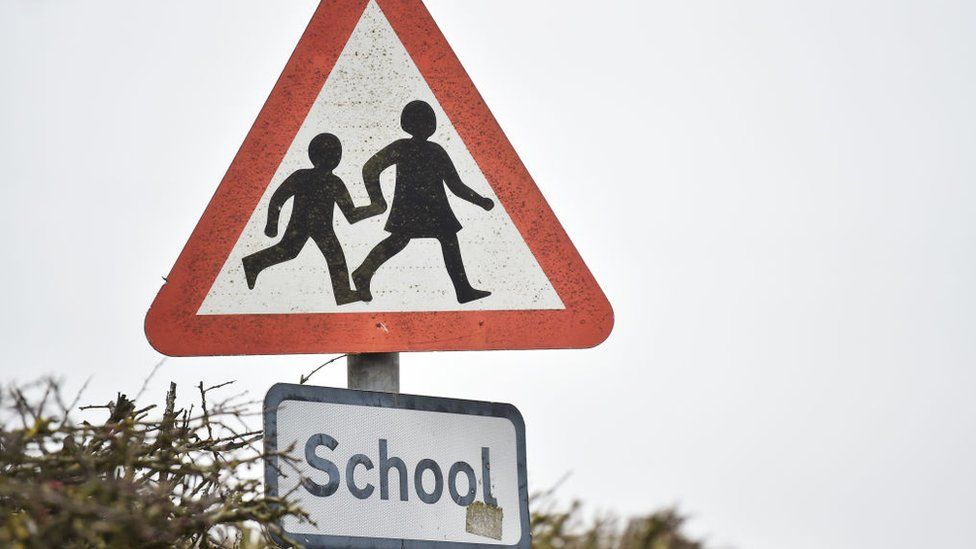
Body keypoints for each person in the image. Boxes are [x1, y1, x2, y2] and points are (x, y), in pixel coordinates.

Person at [352, 100, 495, 304]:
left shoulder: (435, 150)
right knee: (403, 240)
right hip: (414, 207)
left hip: (433, 208)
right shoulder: (403, 147)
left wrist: (480, 201)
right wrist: (377, 200)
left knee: (439, 239)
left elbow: (456, 185)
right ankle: (363, 273)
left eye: (429, 121)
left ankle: (463, 290)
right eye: (422, 121)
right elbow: (370, 168)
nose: (426, 126)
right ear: (409, 124)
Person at [242, 133, 372, 305]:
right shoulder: (313, 178)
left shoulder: (329, 181)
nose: (334, 157)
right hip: (310, 225)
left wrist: (373, 210)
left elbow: (350, 214)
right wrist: (271, 223)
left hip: (314, 226)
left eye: (335, 153)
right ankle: (252, 263)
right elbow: (279, 197)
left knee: (297, 252)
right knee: (323, 255)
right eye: (332, 154)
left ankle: (253, 263)